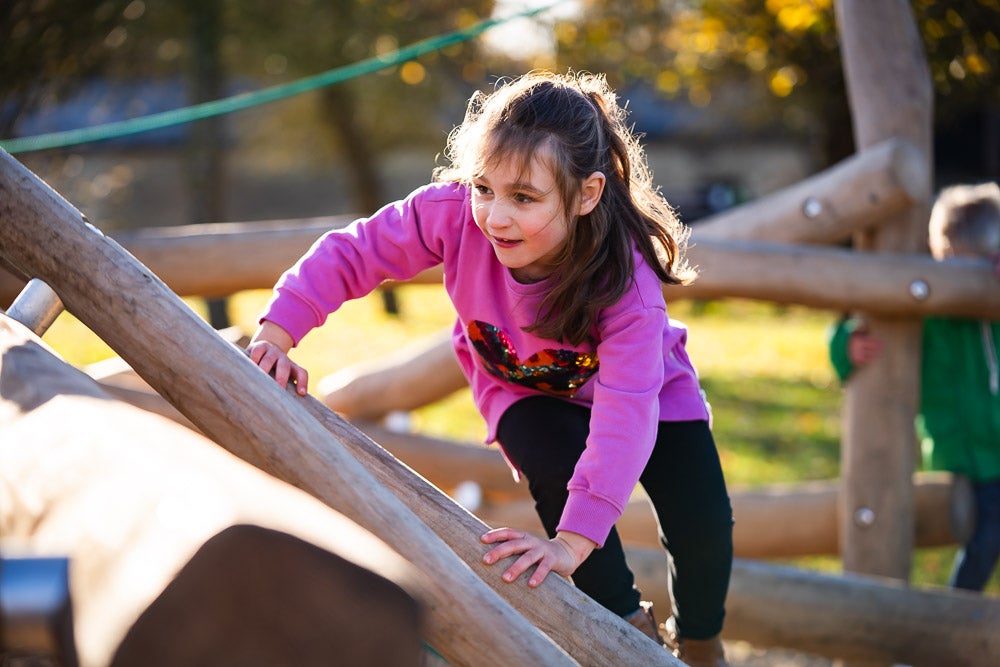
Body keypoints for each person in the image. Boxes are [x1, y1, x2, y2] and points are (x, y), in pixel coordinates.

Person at [248, 70, 733, 665]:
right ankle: (628, 632)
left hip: (653, 395)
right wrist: (278, 331)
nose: (496, 216)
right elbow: (357, 250)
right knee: (552, 461)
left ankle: (702, 645)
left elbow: (627, 412)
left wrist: (574, 540)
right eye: (484, 187)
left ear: (586, 194)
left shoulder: (624, 289)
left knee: (704, 525)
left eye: (524, 198)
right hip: (523, 391)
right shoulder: (452, 215)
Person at [829, 181, 1000, 592]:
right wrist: (846, 344)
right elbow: (865, 325)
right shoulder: (930, 306)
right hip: (964, 447)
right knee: (985, 539)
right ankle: (955, 617)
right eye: (950, 264)